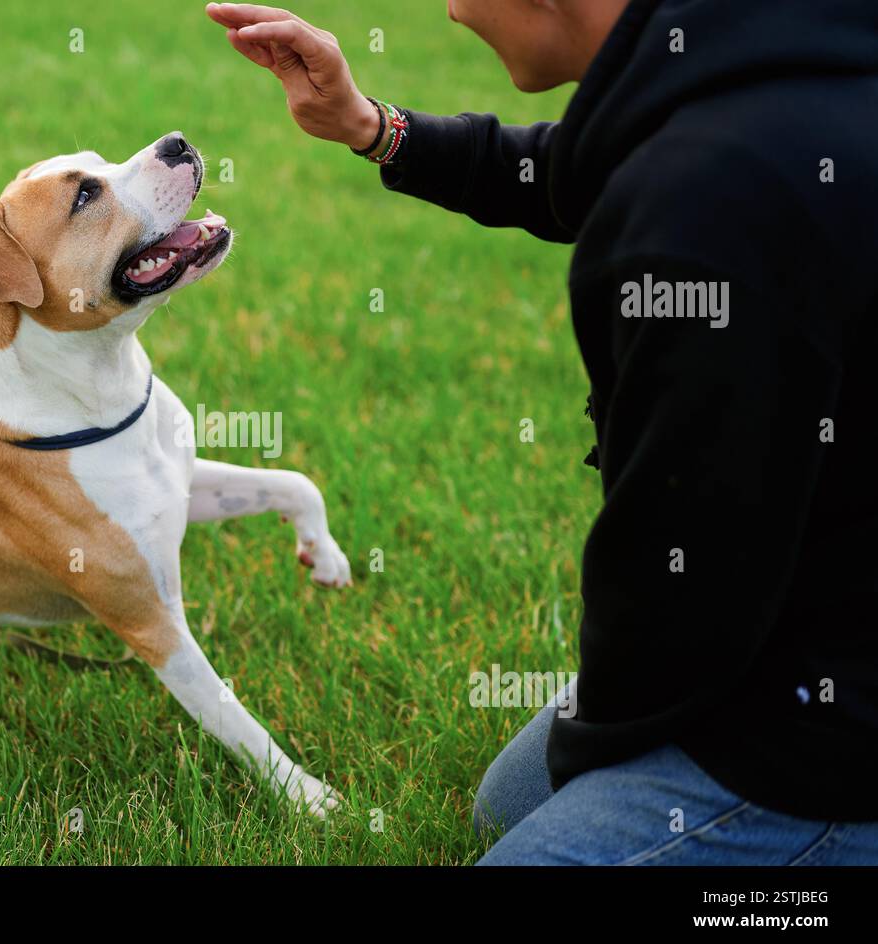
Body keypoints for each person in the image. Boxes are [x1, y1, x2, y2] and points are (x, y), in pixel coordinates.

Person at [206, 0, 878, 864]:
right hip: (815, 604)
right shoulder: (738, 54)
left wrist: (616, 737)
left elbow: (685, 595)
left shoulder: (707, 210)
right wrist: (373, 128)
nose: (449, 8)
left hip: (826, 734)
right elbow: (570, 166)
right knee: (507, 804)